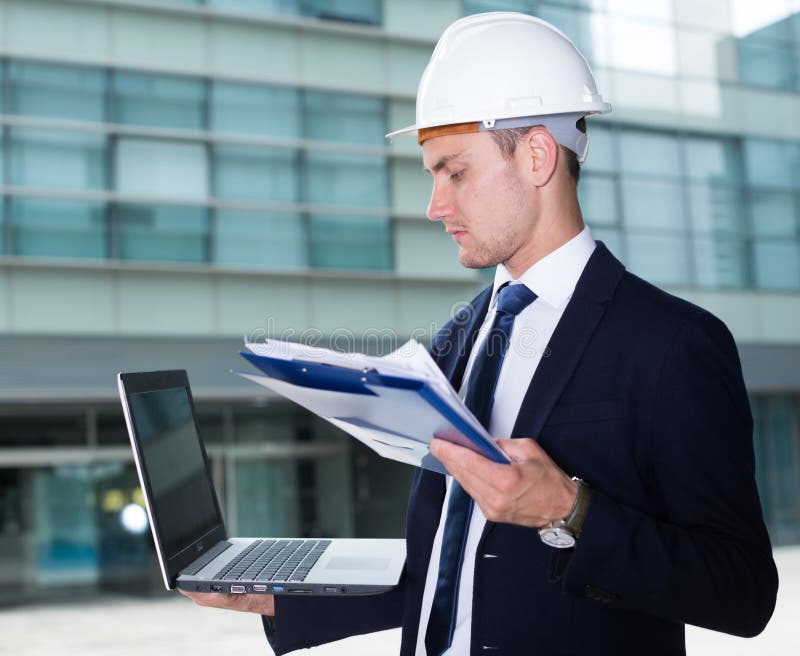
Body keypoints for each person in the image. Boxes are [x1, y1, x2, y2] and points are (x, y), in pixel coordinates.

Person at [181, 12, 778, 655]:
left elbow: (742, 593)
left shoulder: (673, 345)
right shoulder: (459, 337)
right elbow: (453, 562)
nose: (435, 206)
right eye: (432, 176)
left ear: (536, 156)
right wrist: (280, 595)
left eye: (454, 172)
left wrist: (570, 511)